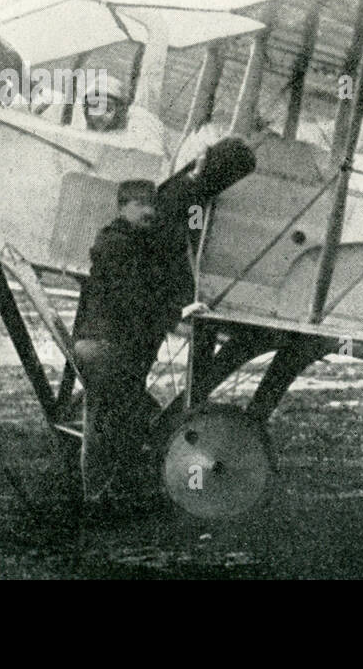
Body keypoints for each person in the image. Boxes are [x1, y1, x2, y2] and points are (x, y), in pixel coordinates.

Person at [74, 138, 257, 505]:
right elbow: (158, 271)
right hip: (114, 339)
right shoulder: (165, 212)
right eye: (141, 206)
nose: (149, 212)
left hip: (110, 335)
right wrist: (180, 309)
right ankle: (103, 492)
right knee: (116, 416)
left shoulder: (174, 197)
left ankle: (102, 487)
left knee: (112, 412)